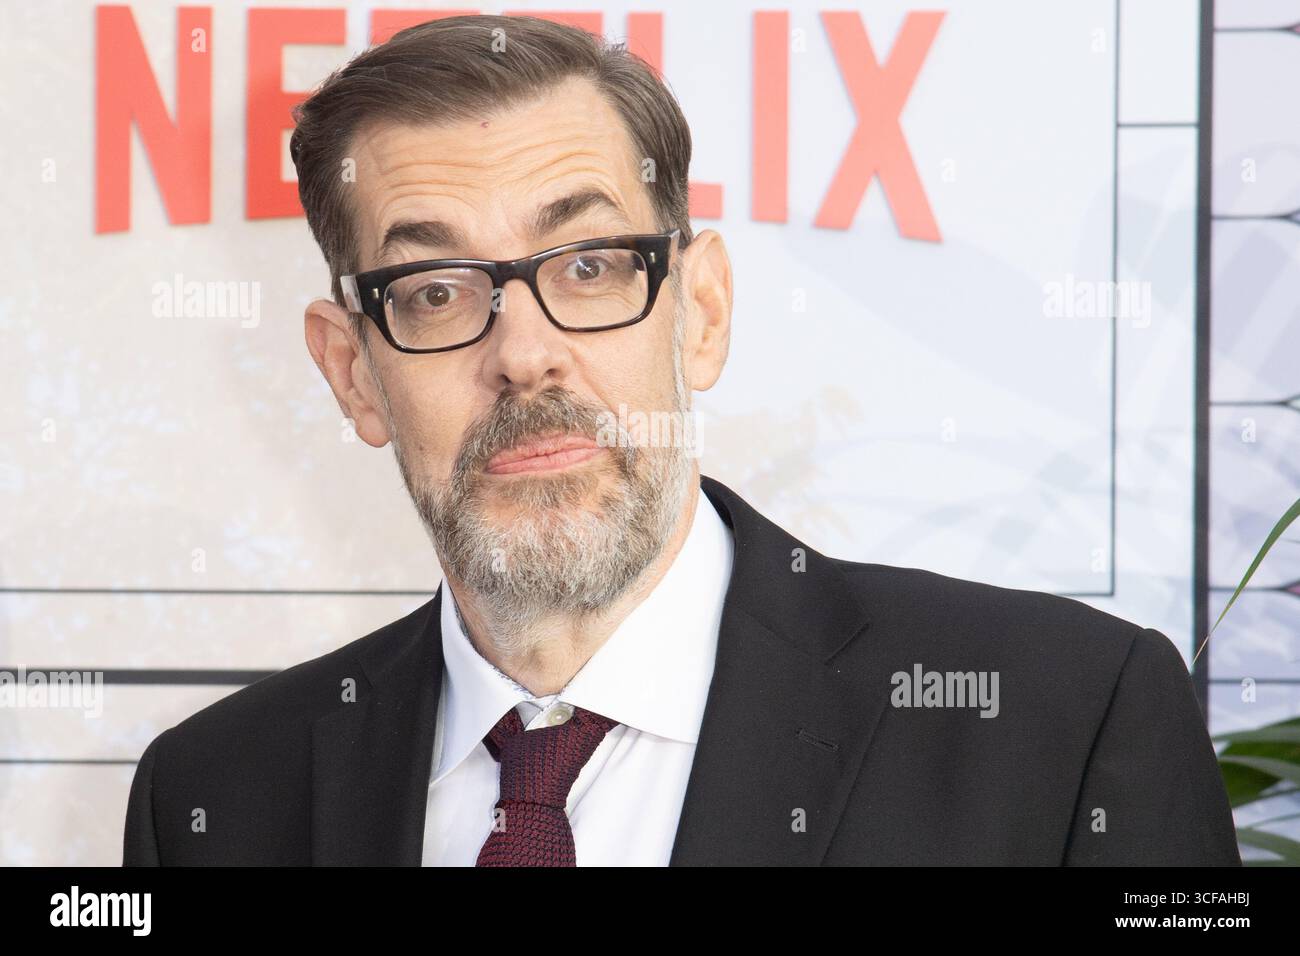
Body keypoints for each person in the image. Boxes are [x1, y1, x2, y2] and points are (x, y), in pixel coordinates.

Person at [122, 14, 1240, 866]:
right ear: (353, 371)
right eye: (434, 289)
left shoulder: (1065, 718)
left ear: (699, 311)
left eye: (590, 266)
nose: (524, 353)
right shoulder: (215, 796)